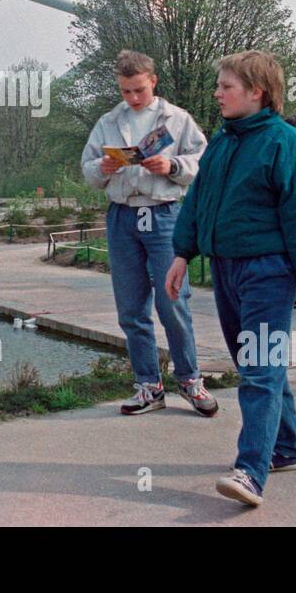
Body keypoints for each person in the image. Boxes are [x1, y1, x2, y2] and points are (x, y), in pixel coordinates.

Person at [167, 50, 296, 508]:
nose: (217, 93)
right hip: (225, 269)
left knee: (260, 369)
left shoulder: (289, 144)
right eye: (219, 85)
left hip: (268, 271)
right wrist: (182, 254)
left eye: (226, 86)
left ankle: (250, 472)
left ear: (257, 92)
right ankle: (285, 447)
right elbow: (196, 201)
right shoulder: (222, 144)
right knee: (255, 364)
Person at [81, 49, 216, 417]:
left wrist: (172, 164)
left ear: (153, 82)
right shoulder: (108, 122)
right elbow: (88, 170)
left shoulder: (178, 120)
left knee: (172, 300)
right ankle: (148, 385)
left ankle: (189, 379)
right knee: (130, 306)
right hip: (123, 215)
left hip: (164, 214)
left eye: (139, 89)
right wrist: (104, 166)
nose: (133, 98)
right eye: (126, 91)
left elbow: (203, 161)